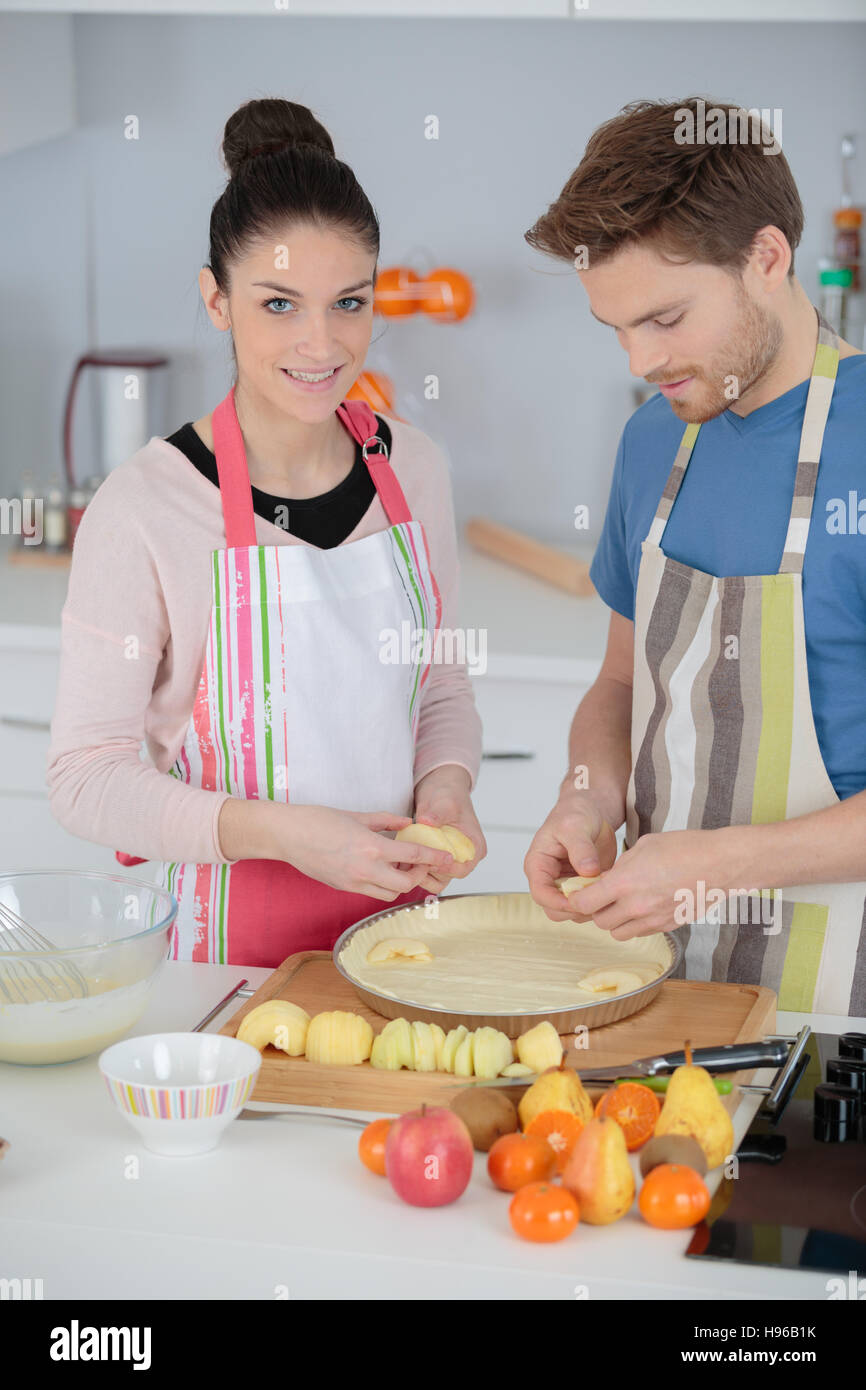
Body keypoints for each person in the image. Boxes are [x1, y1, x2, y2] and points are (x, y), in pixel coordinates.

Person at [48, 98, 485, 966]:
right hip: (222, 969)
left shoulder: (417, 471)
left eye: (348, 302)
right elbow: (84, 779)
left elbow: (439, 690)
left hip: (403, 951)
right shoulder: (143, 508)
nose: (321, 344)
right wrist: (286, 835)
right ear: (217, 300)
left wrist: (447, 784)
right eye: (279, 303)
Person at [523, 96, 866, 1015]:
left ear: (766, 257)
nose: (641, 359)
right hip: (665, 980)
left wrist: (716, 865)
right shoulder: (653, 441)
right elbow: (618, 684)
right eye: (619, 329)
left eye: (666, 318)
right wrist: (588, 798)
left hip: (845, 999)